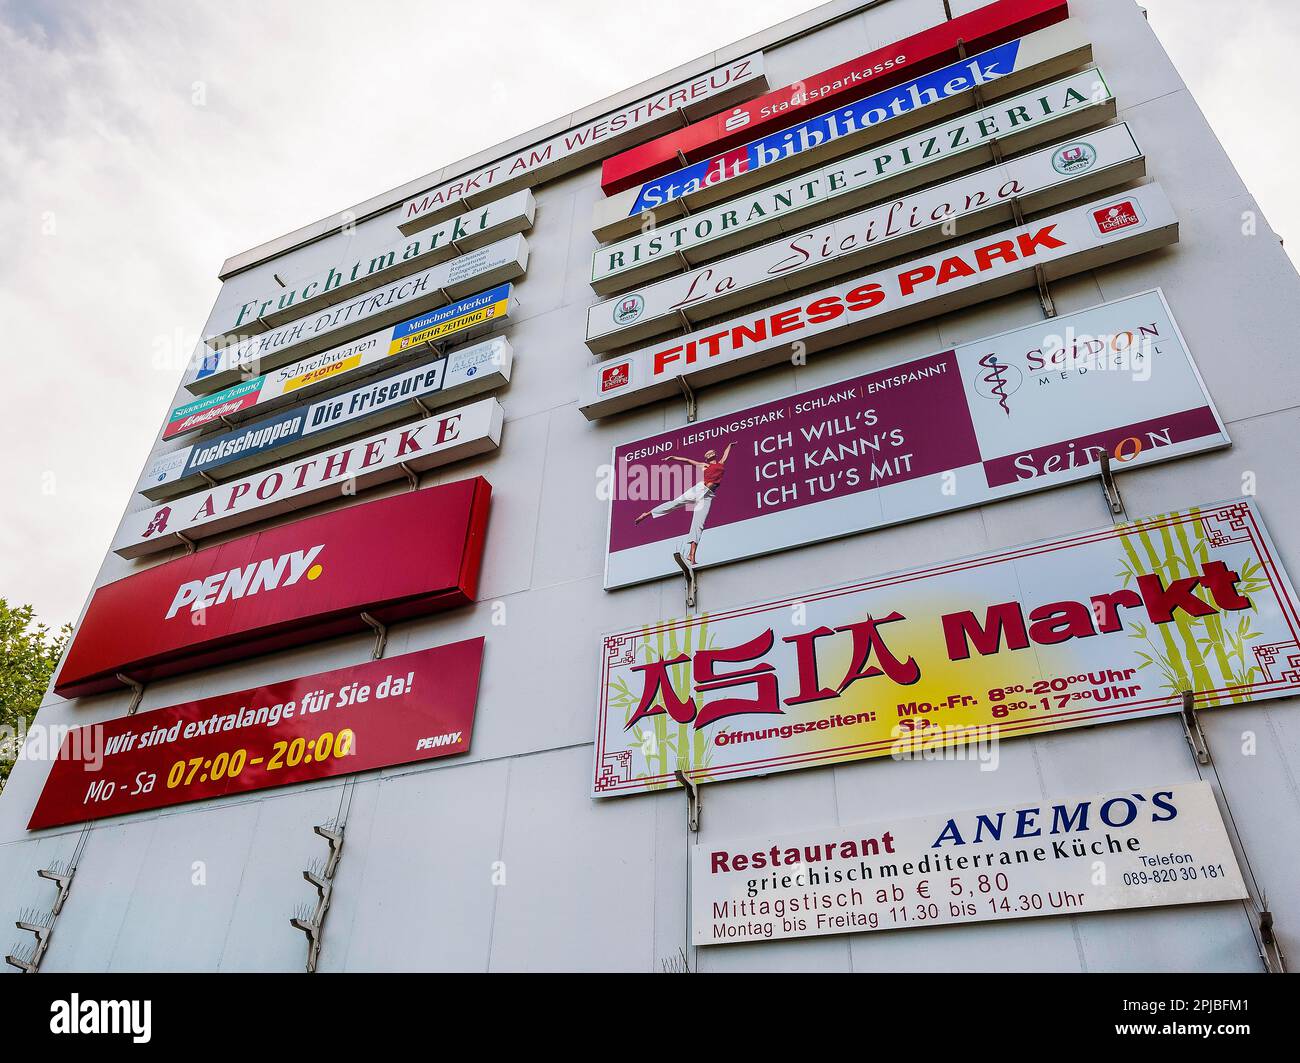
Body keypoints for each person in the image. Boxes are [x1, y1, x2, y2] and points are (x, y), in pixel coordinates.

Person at [634, 443, 732, 567]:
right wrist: (673, 458)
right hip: (699, 490)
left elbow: (726, 453)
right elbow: (687, 460)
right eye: (708, 453)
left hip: (707, 496)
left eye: (712, 451)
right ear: (706, 458)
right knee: (675, 503)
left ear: (715, 454)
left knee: (698, 524)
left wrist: (729, 445)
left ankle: (692, 555)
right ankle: (648, 513)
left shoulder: (721, 463)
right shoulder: (704, 465)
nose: (710, 453)